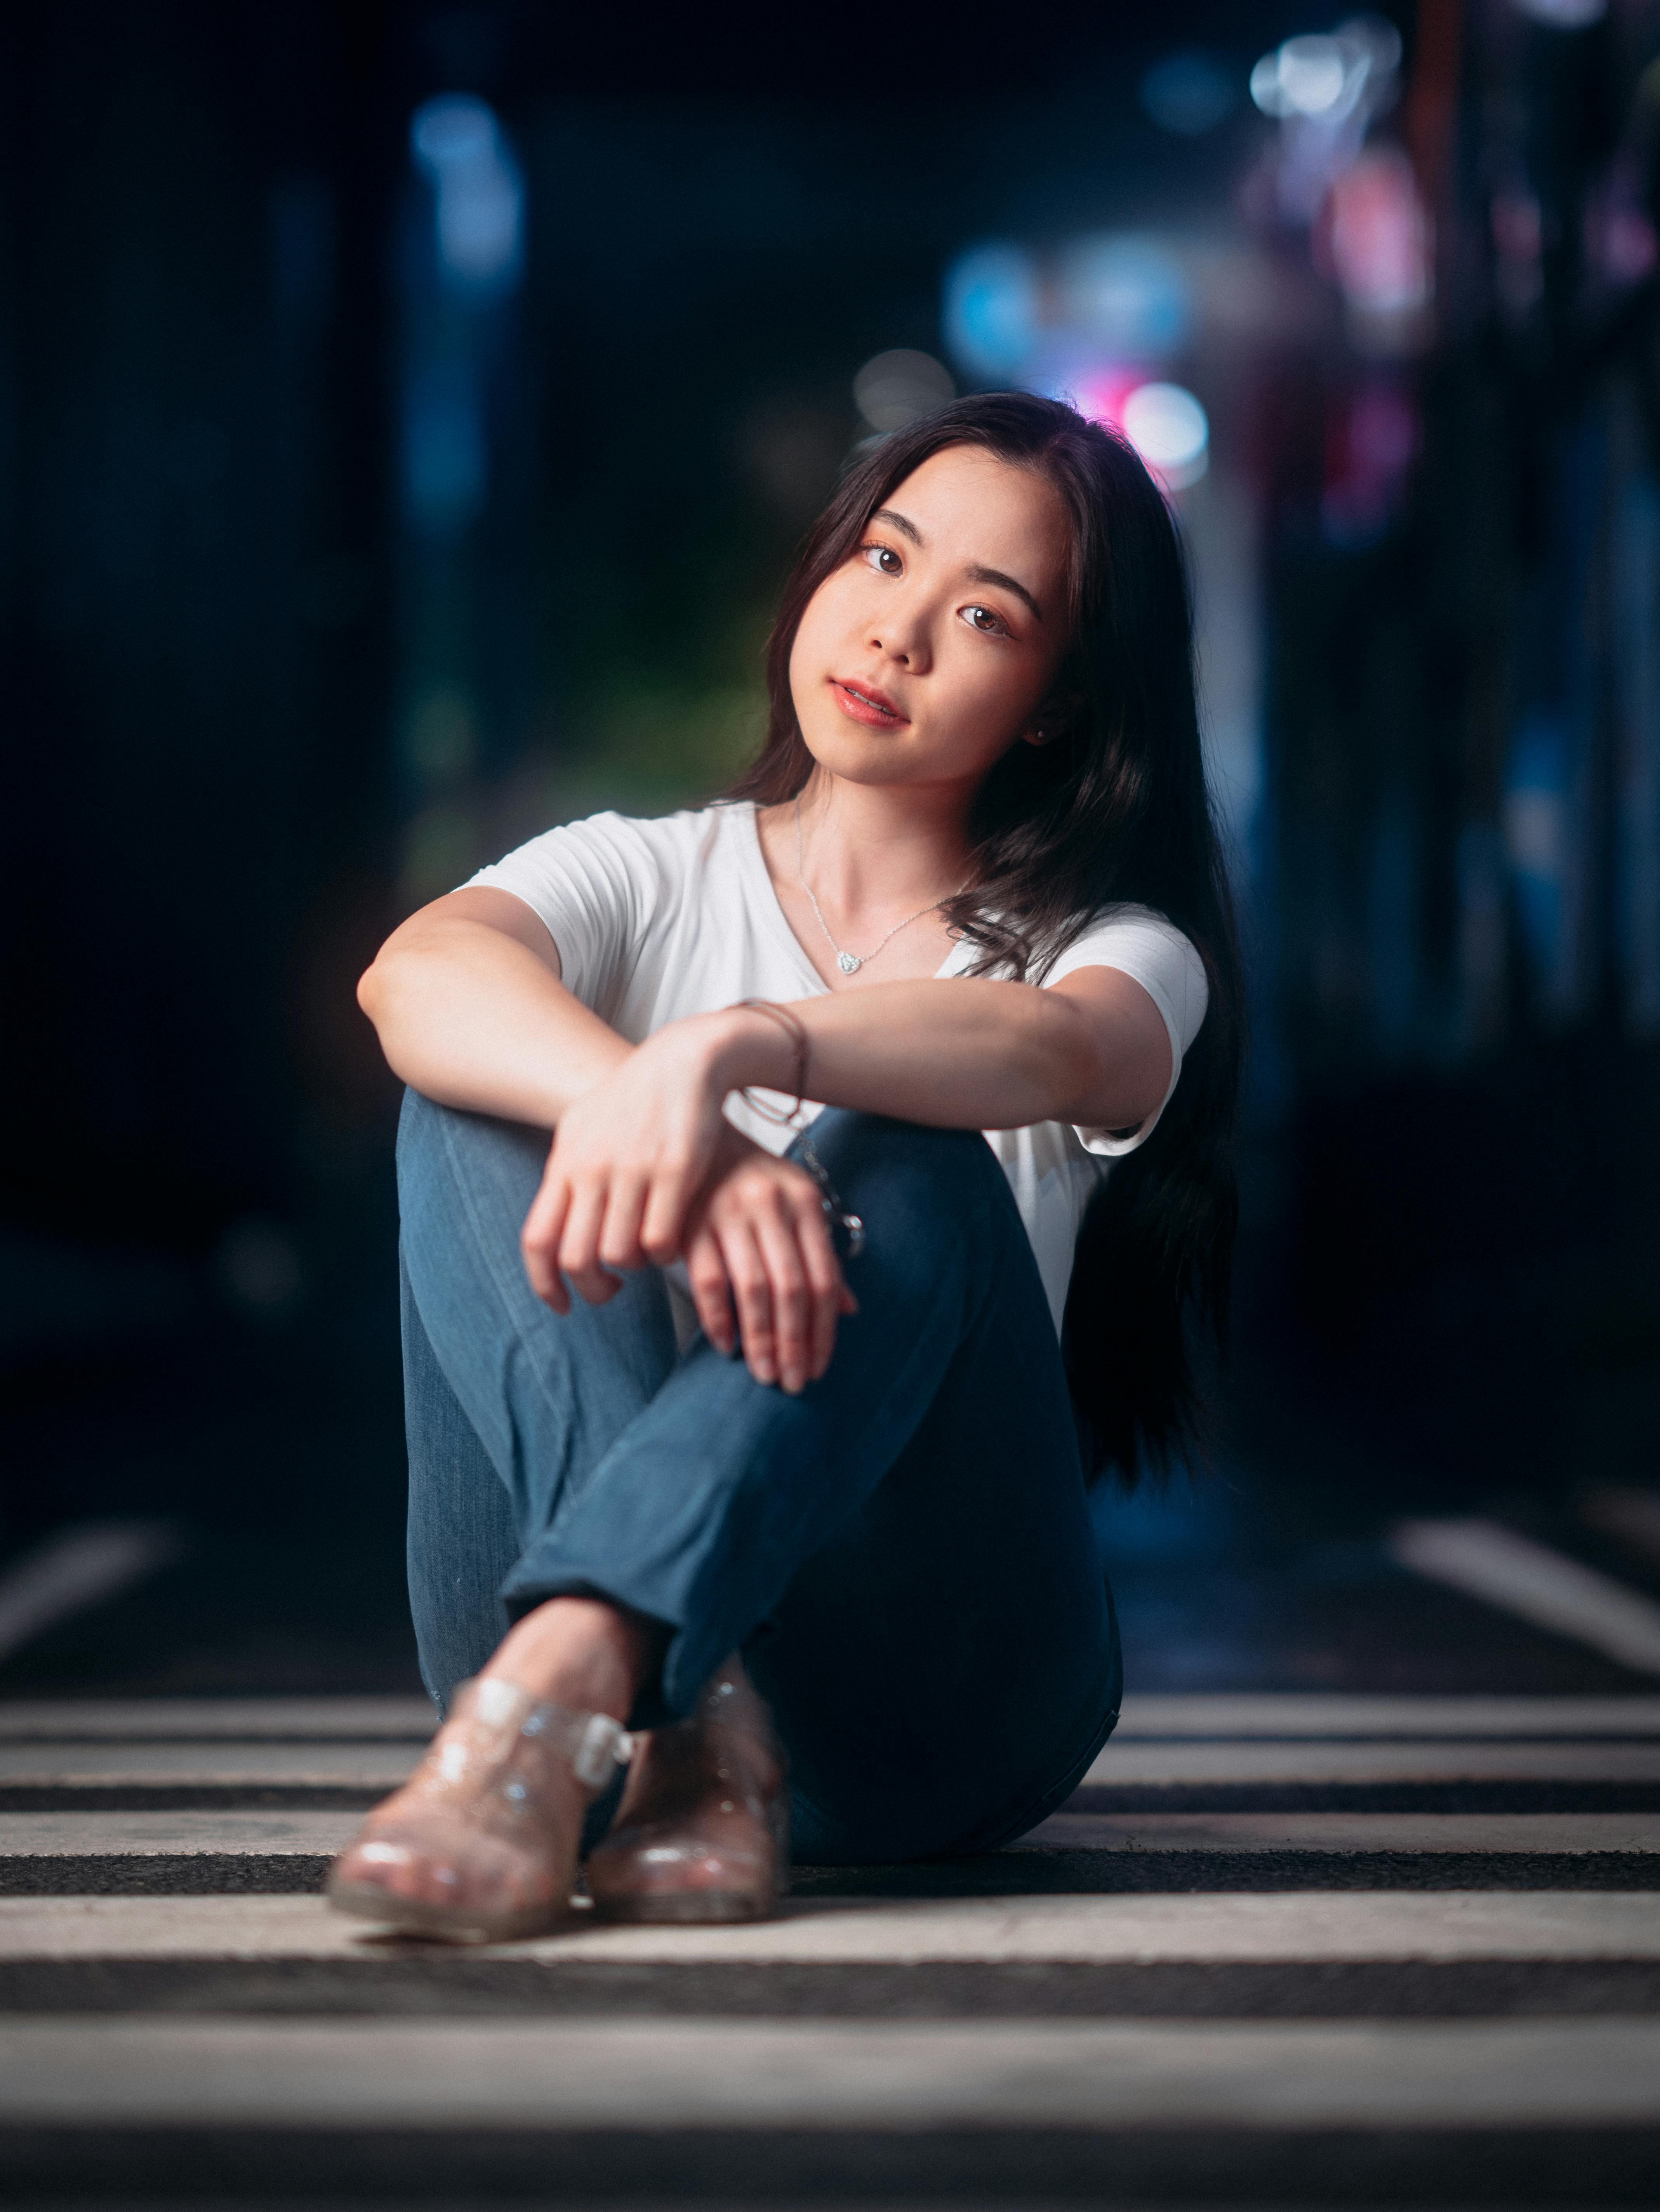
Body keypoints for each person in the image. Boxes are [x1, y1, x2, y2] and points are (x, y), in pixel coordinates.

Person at [329, 391, 1244, 1942]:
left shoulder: (1112, 947)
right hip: (607, 1745)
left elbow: (1054, 1048)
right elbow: (411, 976)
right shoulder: (638, 867)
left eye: (982, 612)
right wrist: (664, 1122)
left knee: (903, 1146)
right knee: (472, 1098)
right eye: (883, 560)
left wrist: (744, 1048)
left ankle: (576, 1663)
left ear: (1056, 705)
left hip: (932, 1706)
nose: (896, 634)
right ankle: (682, 1707)